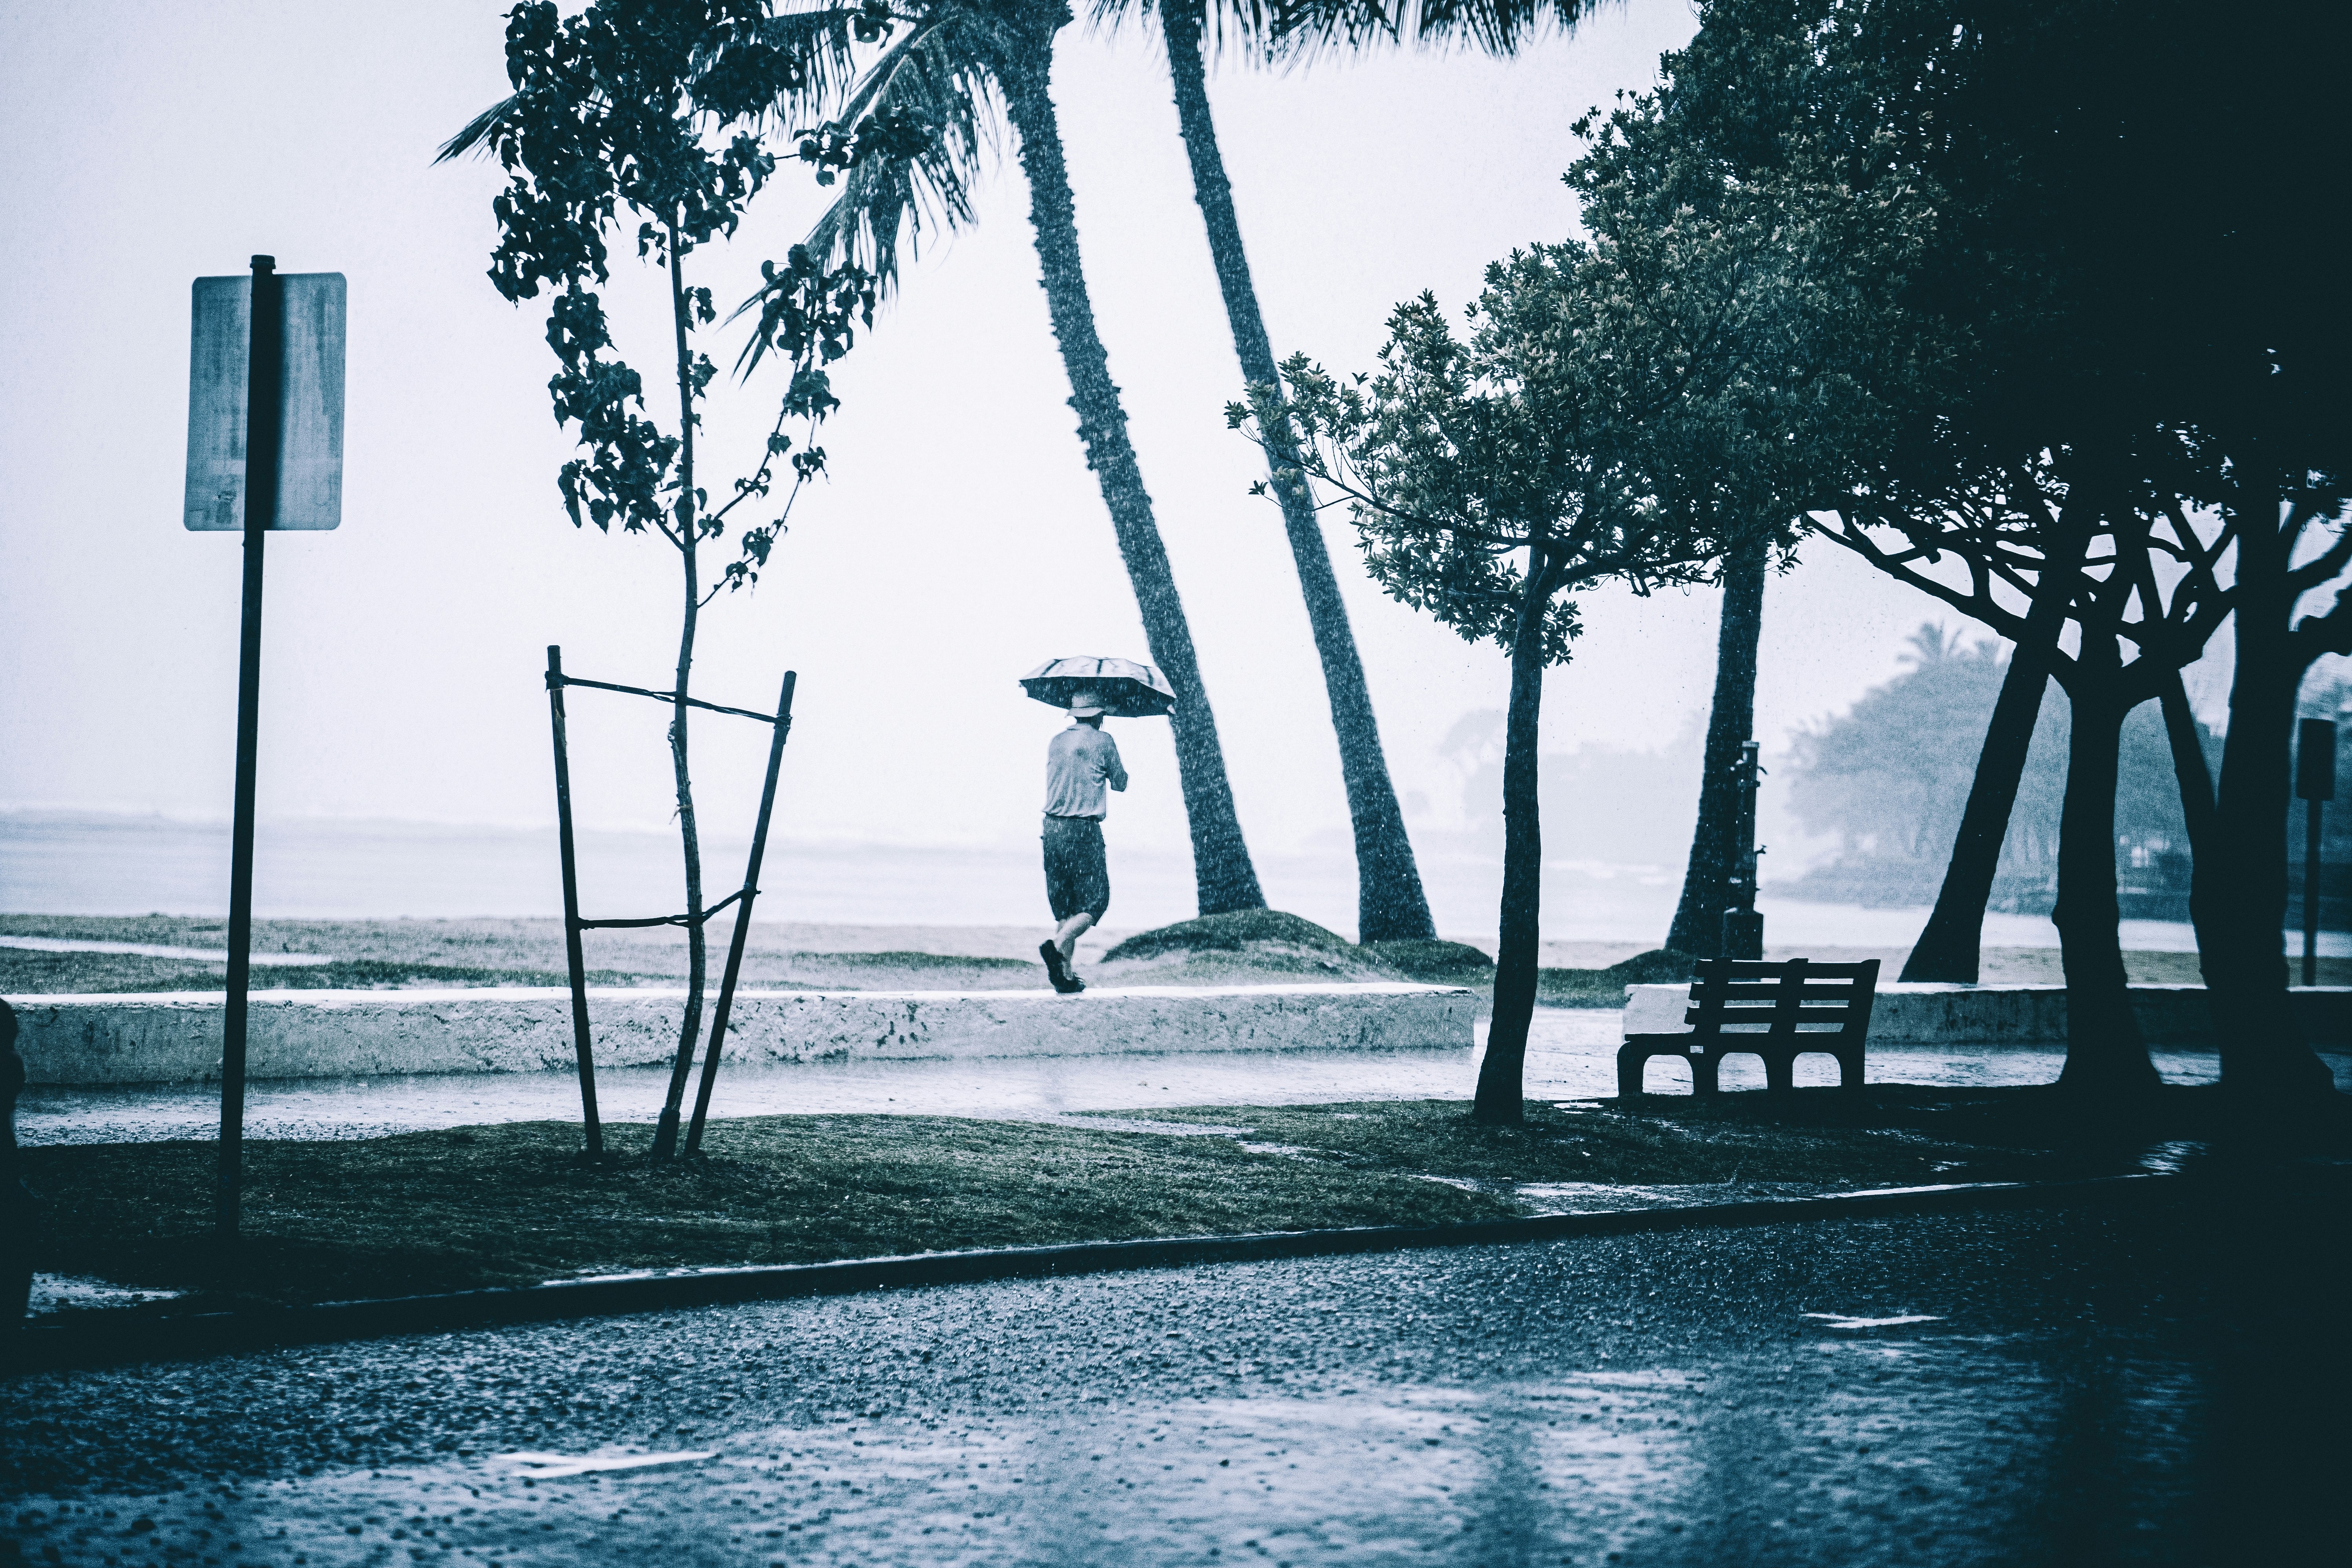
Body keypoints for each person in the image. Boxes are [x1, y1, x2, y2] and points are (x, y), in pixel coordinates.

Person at [1039, 690, 1127, 994]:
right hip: (1081, 830)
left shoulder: (1057, 741)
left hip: (1051, 828)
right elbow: (1121, 783)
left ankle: (1065, 976)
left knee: (1065, 907)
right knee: (1094, 902)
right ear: (1100, 715)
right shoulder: (1104, 741)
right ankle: (1056, 946)